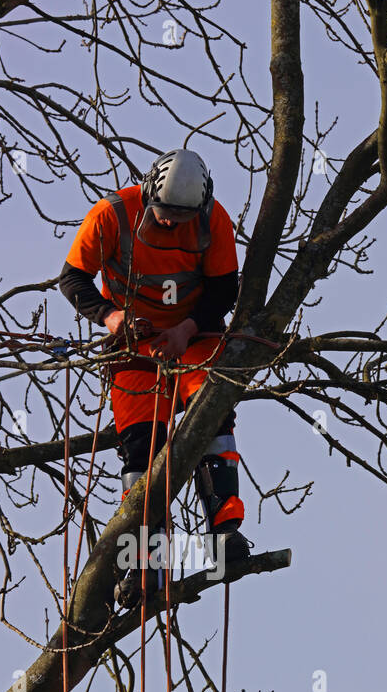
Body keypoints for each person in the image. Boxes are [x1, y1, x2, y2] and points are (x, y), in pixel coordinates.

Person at [59, 148, 250, 607]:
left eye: (178, 218)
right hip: (131, 348)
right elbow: (73, 279)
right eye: (162, 214)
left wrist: (186, 328)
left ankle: (225, 535)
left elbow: (225, 287)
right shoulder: (111, 216)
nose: (168, 224)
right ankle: (147, 565)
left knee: (212, 420)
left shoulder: (213, 222)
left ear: (199, 209)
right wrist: (109, 316)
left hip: (195, 336)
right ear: (147, 195)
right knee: (141, 452)